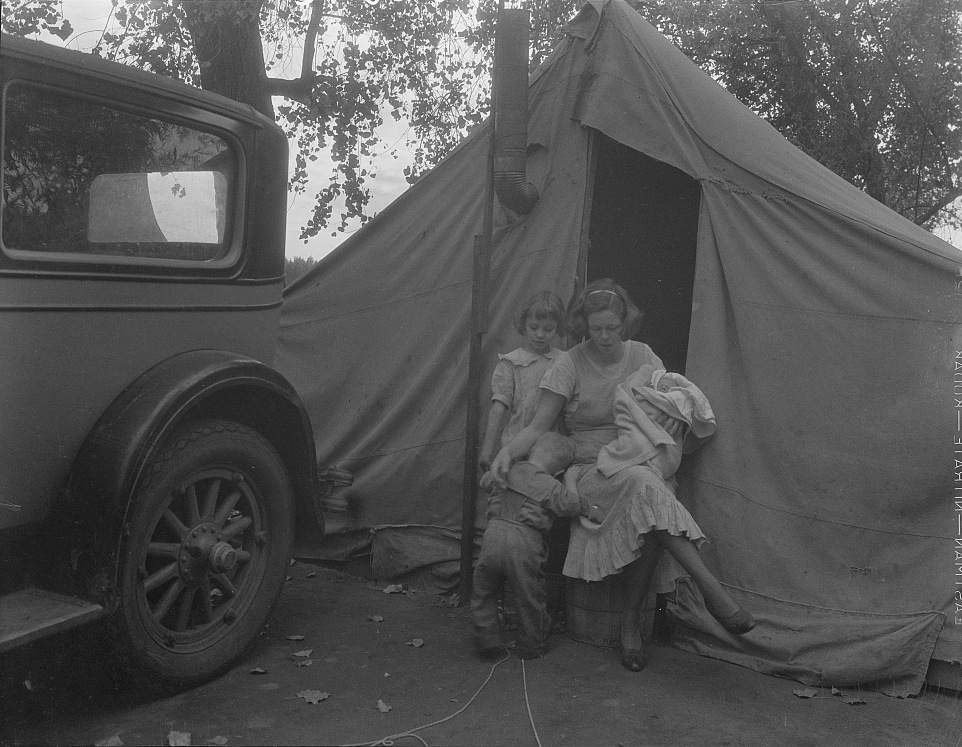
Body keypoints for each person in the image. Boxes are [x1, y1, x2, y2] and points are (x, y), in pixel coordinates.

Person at [490, 278, 754, 673]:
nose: (604, 337)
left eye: (612, 328)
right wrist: (504, 454)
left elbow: (667, 403)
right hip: (592, 469)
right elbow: (538, 426)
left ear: (624, 323)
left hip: (639, 458)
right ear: (584, 326)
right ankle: (708, 590)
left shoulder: (643, 355)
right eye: (595, 329)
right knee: (647, 487)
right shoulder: (569, 363)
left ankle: (634, 623)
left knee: (648, 486)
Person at [471, 432, 585, 660]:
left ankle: (488, 641)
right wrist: (571, 483)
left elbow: (485, 482)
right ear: (560, 472)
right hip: (524, 541)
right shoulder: (551, 484)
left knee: (484, 591)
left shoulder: (508, 469)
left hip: (492, 535)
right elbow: (572, 506)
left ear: (532, 451)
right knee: (529, 594)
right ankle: (532, 645)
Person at [478, 291, 566, 473]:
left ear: (558, 327)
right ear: (523, 324)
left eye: (548, 329)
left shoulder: (563, 361)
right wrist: (487, 451)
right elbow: (497, 410)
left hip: (552, 448)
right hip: (516, 446)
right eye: (534, 327)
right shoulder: (510, 363)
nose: (540, 334)